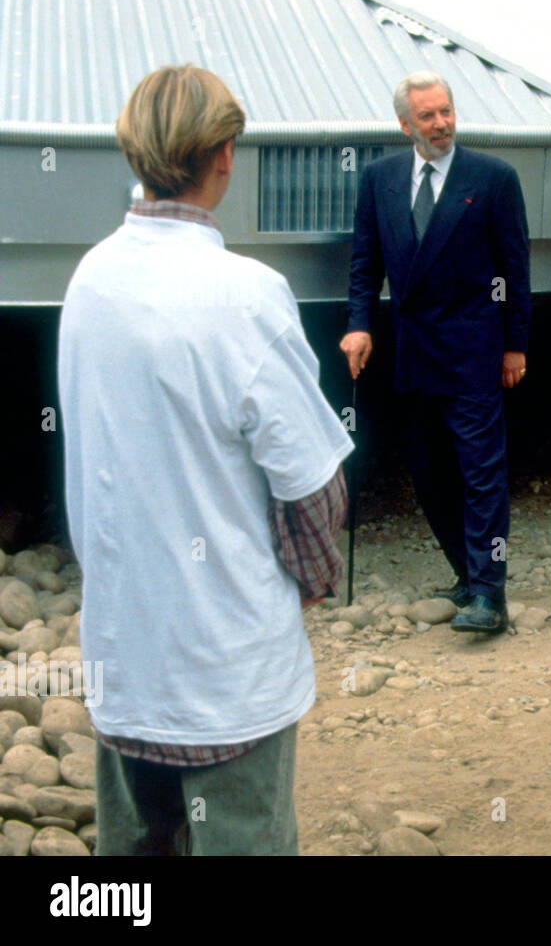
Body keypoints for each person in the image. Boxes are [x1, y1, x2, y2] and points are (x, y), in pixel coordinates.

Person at [58, 65, 354, 855]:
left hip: (126, 655)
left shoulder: (88, 281)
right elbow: (312, 484)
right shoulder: (245, 294)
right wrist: (313, 581)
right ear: (225, 154)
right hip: (226, 670)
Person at [340, 71, 532, 635]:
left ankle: (490, 595)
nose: (441, 123)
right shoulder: (380, 179)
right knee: (427, 472)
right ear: (405, 124)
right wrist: (359, 324)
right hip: (413, 351)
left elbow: (515, 269)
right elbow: (364, 261)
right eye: (427, 116)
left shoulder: (493, 178)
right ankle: (466, 574)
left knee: (482, 474)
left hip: (474, 349)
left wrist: (516, 345)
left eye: (446, 111)